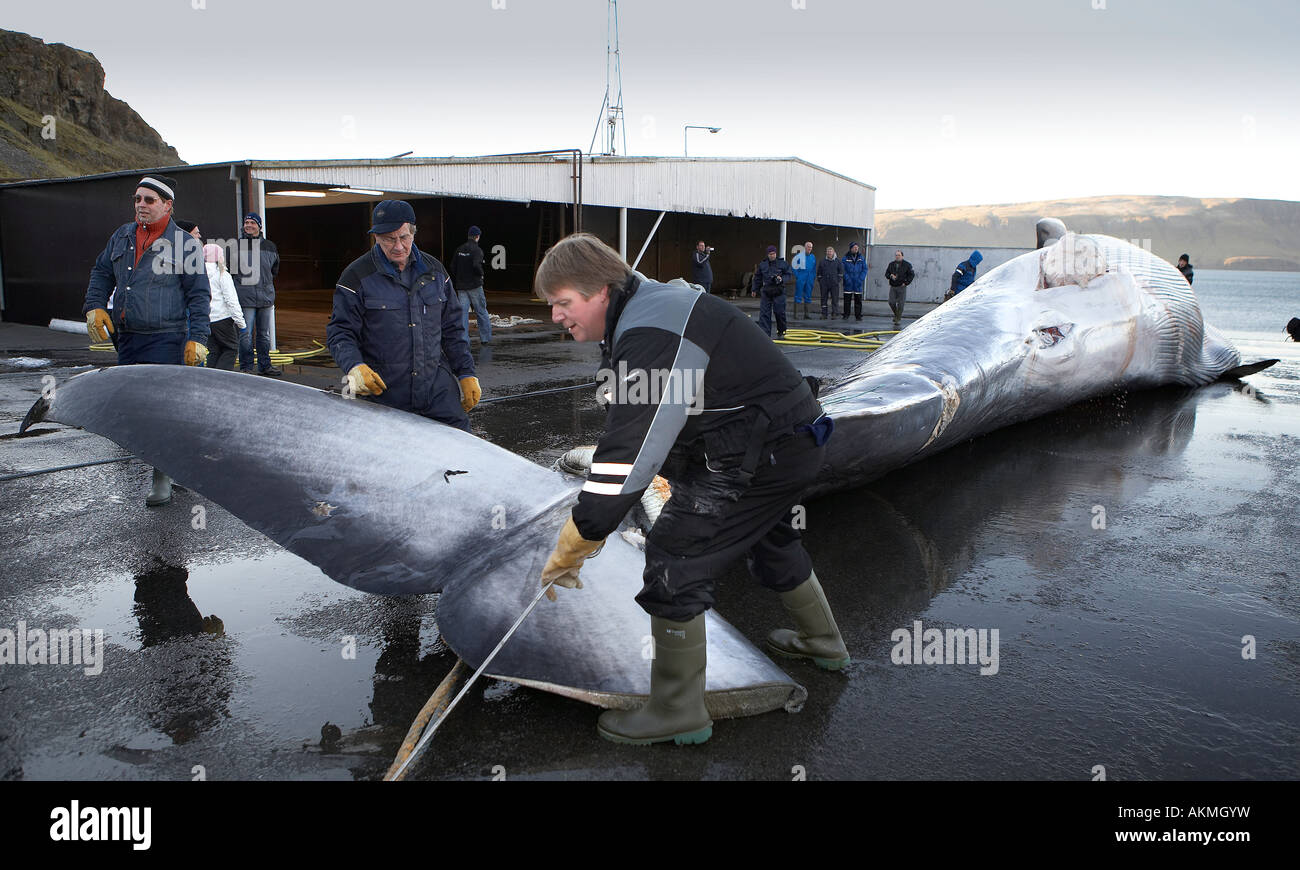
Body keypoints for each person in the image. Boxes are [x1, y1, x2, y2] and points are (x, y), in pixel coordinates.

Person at [535, 233, 848, 746]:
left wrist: (582, 534)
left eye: (563, 303)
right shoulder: (646, 309)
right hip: (782, 440)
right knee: (770, 537)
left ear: (600, 290)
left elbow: (631, 450)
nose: (555, 315)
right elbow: (636, 411)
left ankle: (678, 709)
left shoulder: (651, 328)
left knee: (675, 554)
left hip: (764, 449)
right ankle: (822, 641)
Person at [82, 174, 211, 506]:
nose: (141, 205)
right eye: (137, 199)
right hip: (127, 338)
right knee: (137, 407)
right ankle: (169, 463)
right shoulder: (121, 236)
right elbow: (100, 272)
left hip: (166, 338)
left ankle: (162, 476)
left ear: (167, 205)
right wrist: (95, 306)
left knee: (161, 409)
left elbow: (199, 295)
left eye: (149, 200)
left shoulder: (186, 244)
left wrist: (197, 337)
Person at [326, 200, 481, 431]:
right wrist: (354, 366)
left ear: (413, 233)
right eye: (389, 239)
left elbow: (453, 330)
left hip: (437, 392)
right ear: (376, 237)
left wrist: (466, 372)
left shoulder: (436, 272)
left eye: (404, 237)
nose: (398, 246)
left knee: (462, 455)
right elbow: (341, 332)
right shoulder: (356, 277)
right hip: (385, 395)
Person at [232, 212, 281, 376]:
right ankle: (246, 367)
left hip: (265, 297)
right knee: (245, 334)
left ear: (259, 226)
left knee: (264, 335)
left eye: (253, 223)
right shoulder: (236, 246)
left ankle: (265, 366)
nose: (249, 225)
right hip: (245, 297)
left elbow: (274, 270)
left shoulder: (270, 246)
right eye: (246, 223)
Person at [203, 243, 246, 371]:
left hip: (206, 319)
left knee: (214, 350)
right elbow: (231, 300)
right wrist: (241, 323)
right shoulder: (222, 274)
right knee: (231, 348)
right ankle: (221, 380)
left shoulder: (199, 275)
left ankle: (209, 379)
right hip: (223, 319)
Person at [451, 225, 492, 347]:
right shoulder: (477, 250)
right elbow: (476, 266)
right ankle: (485, 338)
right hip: (475, 286)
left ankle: (463, 339)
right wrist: (481, 275)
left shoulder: (459, 249)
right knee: (481, 311)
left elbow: (453, 266)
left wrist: (459, 278)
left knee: (463, 313)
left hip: (461, 286)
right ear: (477, 237)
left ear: (468, 236)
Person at [751, 245, 793, 339]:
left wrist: (781, 279)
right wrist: (754, 289)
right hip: (767, 291)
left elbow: (789, 274)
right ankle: (765, 334)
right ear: (768, 254)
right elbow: (757, 278)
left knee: (779, 312)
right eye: (770, 254)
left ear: (776, 253)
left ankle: (781, 330)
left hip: (779, 291)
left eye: (774, 253)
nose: (772, 255)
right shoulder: (763, 264)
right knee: (764, 313)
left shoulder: (783, 263)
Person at [885, 249, 915, 328]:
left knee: (901, 304)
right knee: (891, 302)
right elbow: (886, 274)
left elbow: (911, 275)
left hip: (902, 286)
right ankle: (897, 315)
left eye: (899, 255)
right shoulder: (891, 264)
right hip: (893, 286)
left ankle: (897, 319)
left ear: (902, 256)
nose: (897, 256)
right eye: (896, 255)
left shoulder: (907, 265)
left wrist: (906, 282)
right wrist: (890, 275)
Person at [841, 242, 867, 321]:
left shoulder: (861, 258)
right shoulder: (845, 258)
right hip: (848, 283)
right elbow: (843, 270)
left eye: (857, 247)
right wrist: (847, 279)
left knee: (858, 301)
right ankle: (846, 315)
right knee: (847, 301)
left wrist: (860, 279)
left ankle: (858, 316)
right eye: (854, 247)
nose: (856, 249)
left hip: (858, 283)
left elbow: (864, 269)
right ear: (851, 248)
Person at [791, 241, 816, 320]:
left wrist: (813, 276)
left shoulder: (812, 257)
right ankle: (796, 314)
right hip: (801, 277)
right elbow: (794, 267)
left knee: (808, 295)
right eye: (808, 247)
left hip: (809, 278)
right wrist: (798, 276)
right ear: (805, 247)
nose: (809, 248)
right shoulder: (799, 256)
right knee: (798, 295)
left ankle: (806, 314)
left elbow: (814, 268)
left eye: (811, 247)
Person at [817, 245, 843, 320]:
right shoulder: (822, 261)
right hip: (824, 284)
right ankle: (824, 314)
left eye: (830, 252)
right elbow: (819, 272)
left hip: (834, 284)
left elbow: (841, 272)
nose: (829, 253)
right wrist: (820, 281)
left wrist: (837, 280)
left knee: (835, 299)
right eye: (828, 252)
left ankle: (834, 313)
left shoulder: (838, 261)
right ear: (826, 253)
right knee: (823, 299)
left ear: (833, 252)